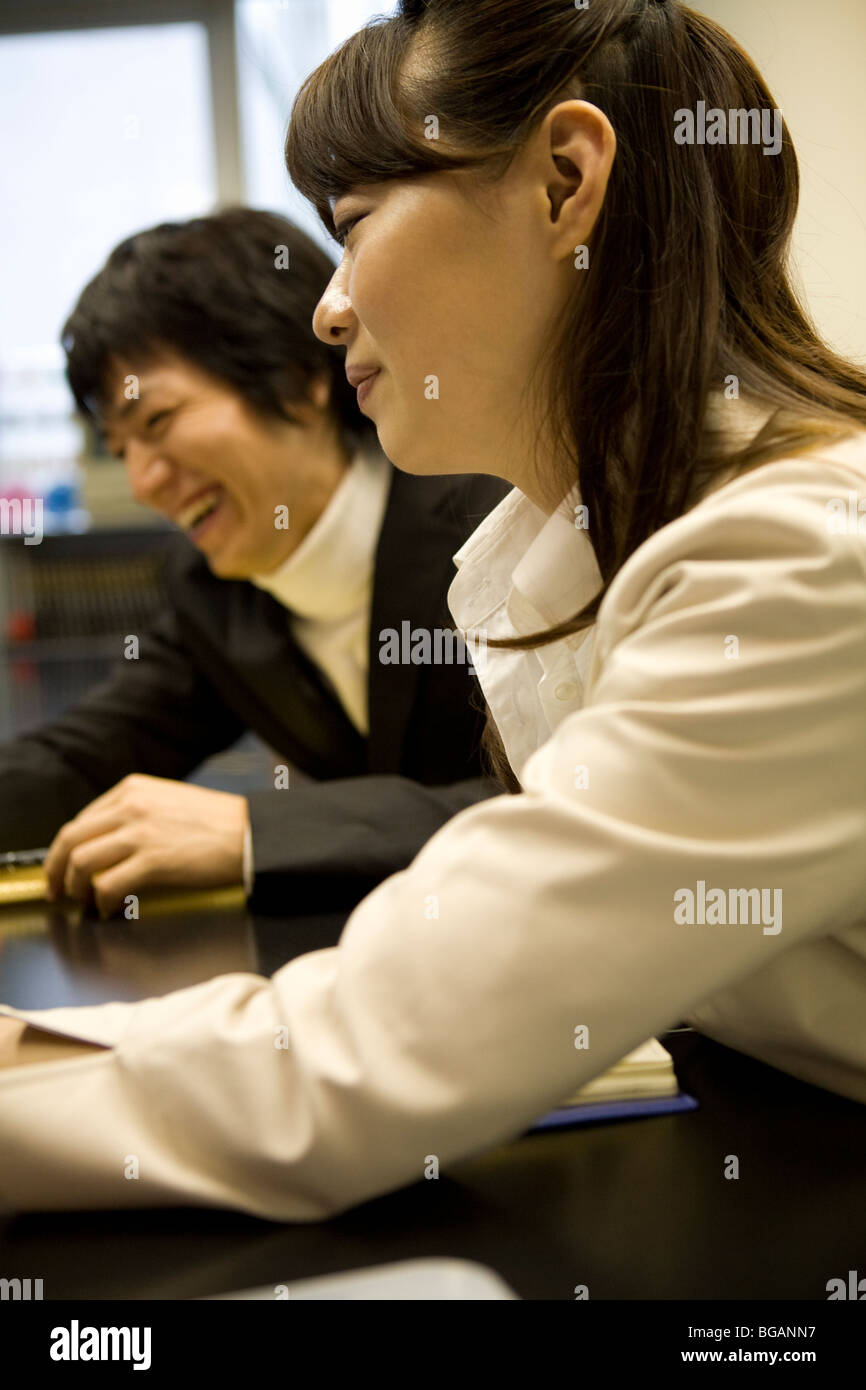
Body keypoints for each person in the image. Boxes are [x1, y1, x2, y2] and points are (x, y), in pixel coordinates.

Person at [1, 0, 866, 1220]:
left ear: (565, 182)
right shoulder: (568, 544)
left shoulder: (795, 563)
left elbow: (372, 1059)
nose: (329, 302)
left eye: (351, 231)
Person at [0, 208, 507, 916]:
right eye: (120, 451)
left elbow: (570, 801)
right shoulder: (213, 592)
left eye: (157, 423)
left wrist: (251, 829)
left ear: (299, 379)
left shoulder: (494, 517)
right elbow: (79, 761)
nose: (144, 482)